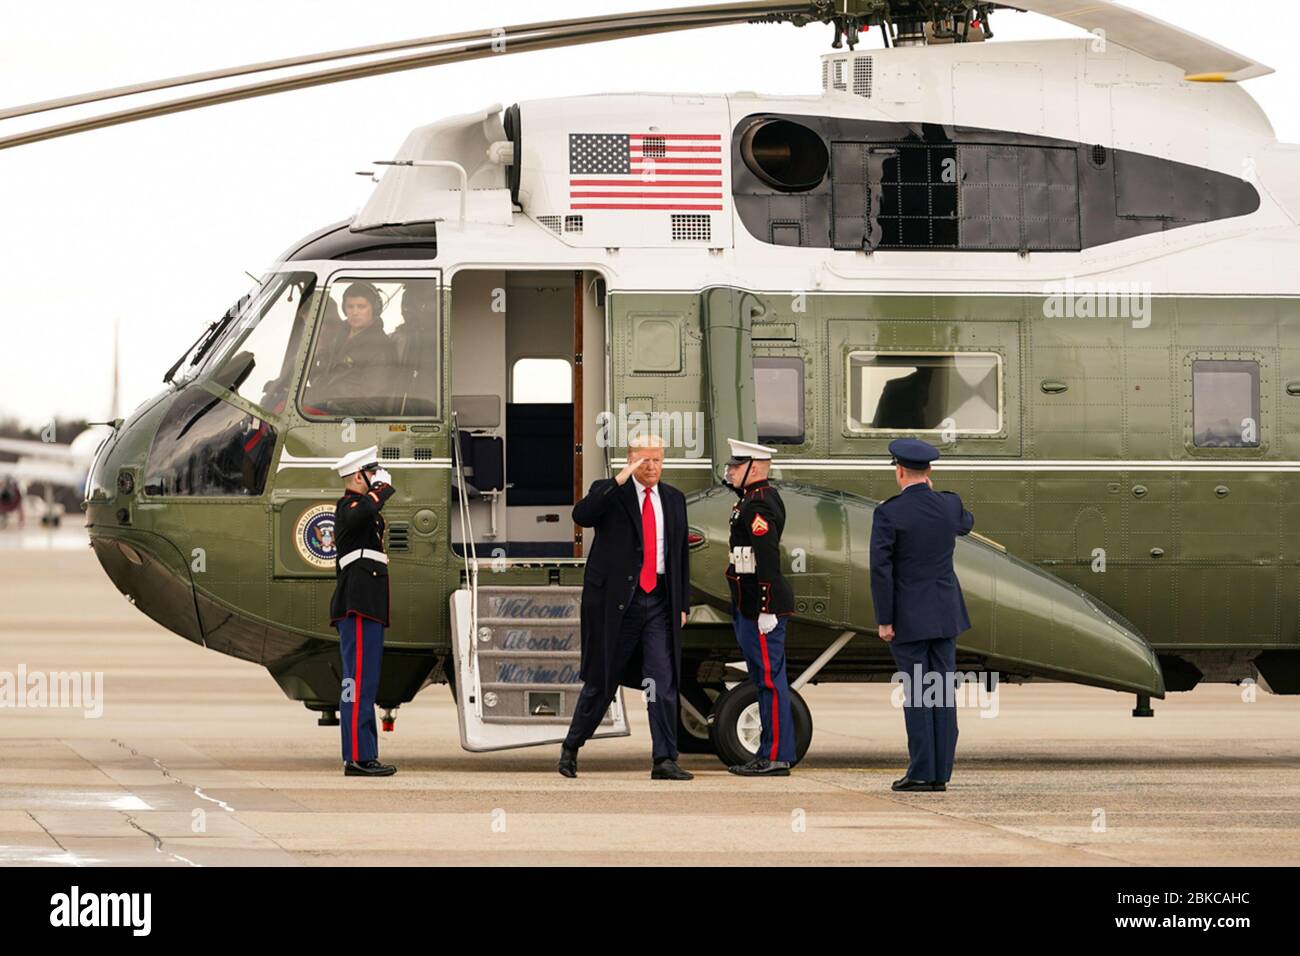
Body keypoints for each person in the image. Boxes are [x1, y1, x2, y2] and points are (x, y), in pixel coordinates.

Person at [558, 434, 693, 781]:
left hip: (659, 601)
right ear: (631, 461)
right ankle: (572, 746)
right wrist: (618, 480)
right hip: (619, 604)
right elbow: (582, 515)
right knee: (602, 681)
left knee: (661, 681)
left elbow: (679, 555)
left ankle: (664, 759)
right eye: (644, 460)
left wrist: (683, 603)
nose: (651, 467)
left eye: (658, 460)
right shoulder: (611, 492)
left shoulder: (674, 499)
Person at [870, 438, 974, 793]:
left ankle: (920, 771)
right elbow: (966, 524)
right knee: (942, 692)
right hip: (946, 615)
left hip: (908, 619)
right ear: (929, 471)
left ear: (899, 471)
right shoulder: (949, 505)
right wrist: (937, 496)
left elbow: (880, 571)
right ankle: (940, 773)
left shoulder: (888, 513)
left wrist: (885, 620)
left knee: (917, 694)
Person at [722, 438, 796, 776]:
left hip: (758, 606)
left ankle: (777, 754)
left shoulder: (760, 504)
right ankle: (771, 751)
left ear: (755, 468)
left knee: (769, 680)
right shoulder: (750, 501)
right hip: (749, 603)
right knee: (764, 679)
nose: (730, 471)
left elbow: (767, 558)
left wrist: (766, 608)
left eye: (736, 466)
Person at [329, 445, 398, 777]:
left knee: (364, 683)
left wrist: (376, 493)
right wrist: (380, 490)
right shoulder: (348, 508)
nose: (376, 480)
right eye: (372, 475)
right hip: (357, 606)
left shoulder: (362, 510)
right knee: (356, 683)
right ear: (359, 476)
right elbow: (361, 513)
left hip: (367, 607)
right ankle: (357, 757)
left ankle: (364, 754)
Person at [310, 282, 397, 416]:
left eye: (361, 307)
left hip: (344, 414)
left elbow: (372, 404)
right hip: (325, 401)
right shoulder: (340, 335)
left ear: (374, 309)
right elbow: (324, 371)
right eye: (350, 306)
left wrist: (334, 408)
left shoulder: (381, 348)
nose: (355, 312)